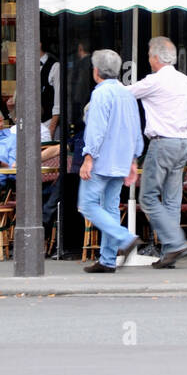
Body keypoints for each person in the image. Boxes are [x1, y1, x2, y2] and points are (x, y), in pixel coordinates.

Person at [130, 36, 187, 269]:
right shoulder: (186, 82)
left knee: (148, 198)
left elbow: (124, 93)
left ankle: (174, 242)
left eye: (150, 55)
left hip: (162, 143)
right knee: (172, 200)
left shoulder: (154, 81)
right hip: (182, 143)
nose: (149, 59)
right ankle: (170, 252)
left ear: (156, 57)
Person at [77, 48, 144, 275]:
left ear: (96, 71)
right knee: (110, 206)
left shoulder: (100, 94)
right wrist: (134, 158)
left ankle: (125, 238)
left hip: (102, 159)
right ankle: (107, 259)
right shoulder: (127, 93)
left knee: (87, 204)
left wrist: (88, 157)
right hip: (122, 159)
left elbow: (96, 129)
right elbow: (136, 127)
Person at [40, 43, 60, 140]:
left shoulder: (55, 66)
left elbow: (58, 102)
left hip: (48, 124)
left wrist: (51, 129)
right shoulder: (27, 66)